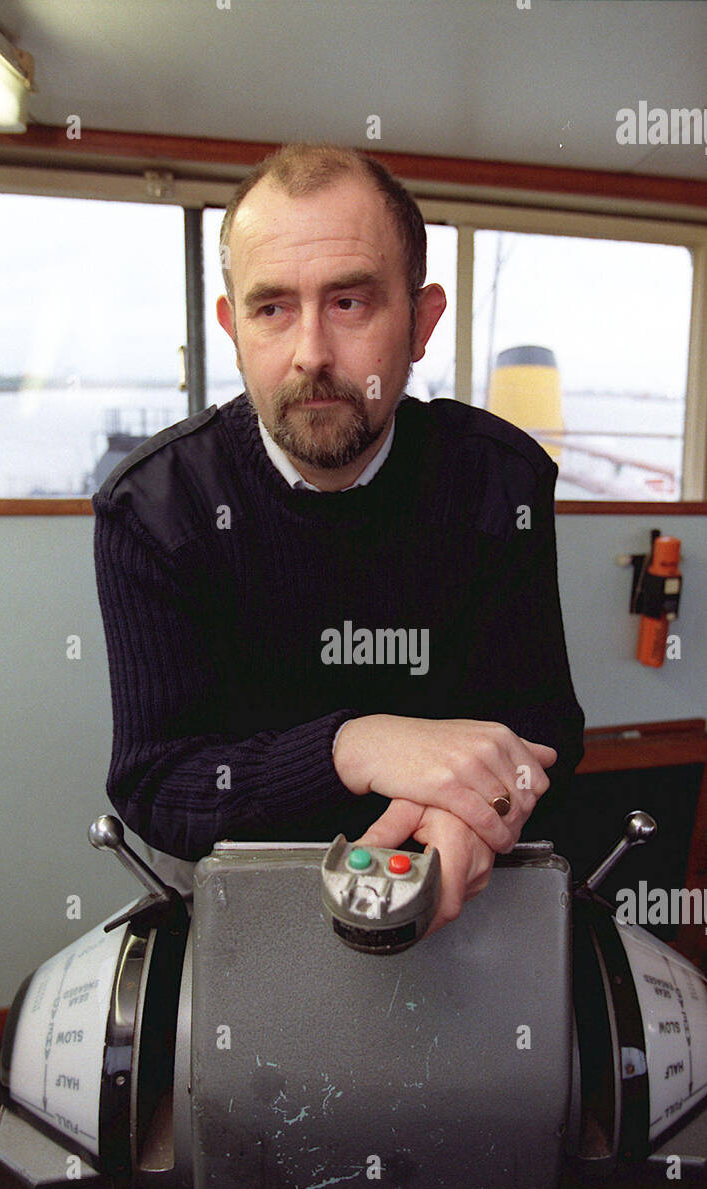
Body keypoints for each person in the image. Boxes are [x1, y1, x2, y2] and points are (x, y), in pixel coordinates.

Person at [93, 143, 584, 935]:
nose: (311, 354)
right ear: (234, 326)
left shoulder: (501, 484)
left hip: (467, 876)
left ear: (421, 322)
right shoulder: (154, 511)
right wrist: (353, 747)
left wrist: (479, 809)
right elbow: (157, 785)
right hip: (238, 894)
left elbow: (544, 729)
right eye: (272, 308)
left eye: (350, 303)